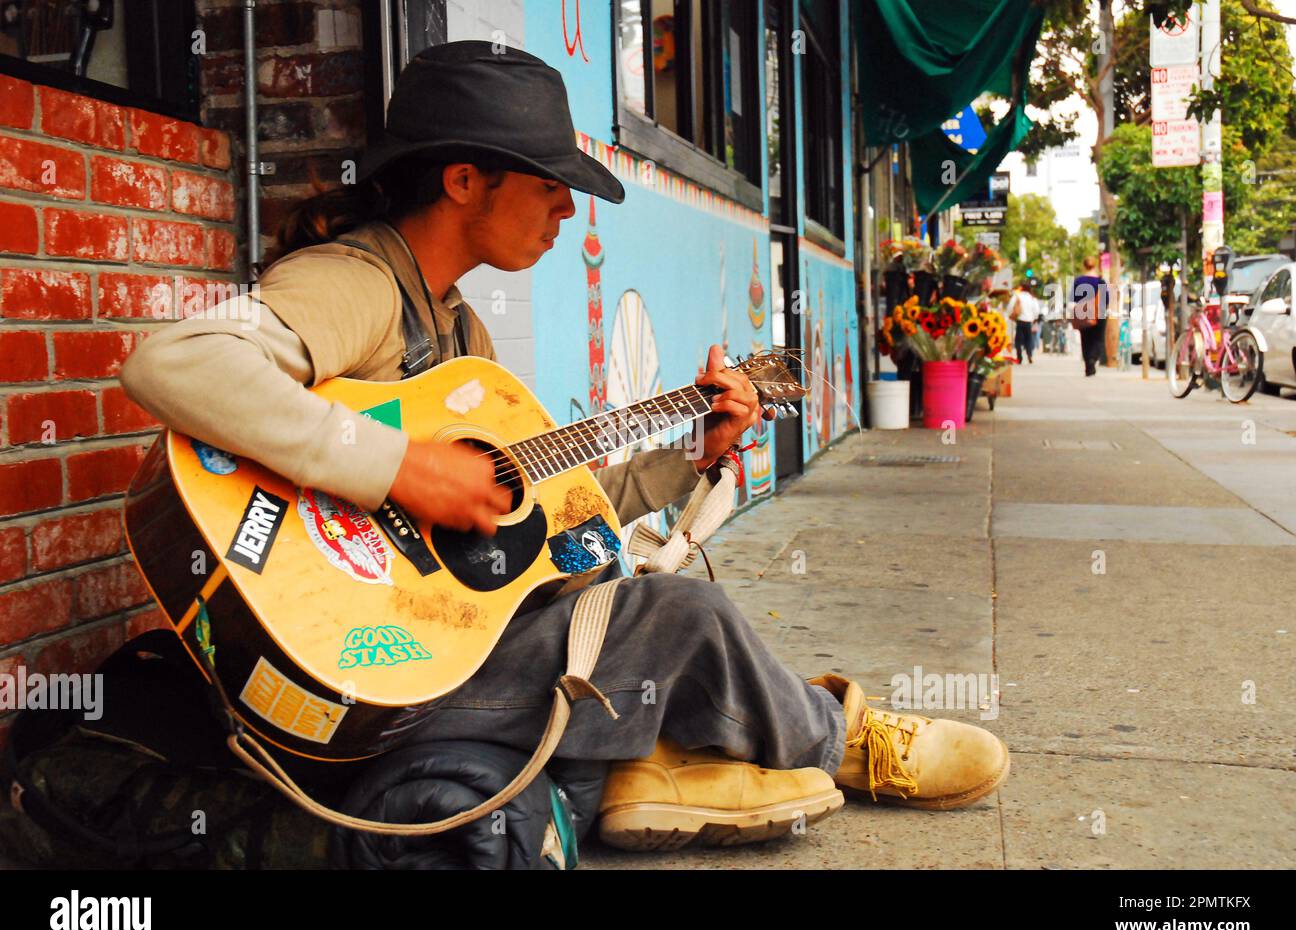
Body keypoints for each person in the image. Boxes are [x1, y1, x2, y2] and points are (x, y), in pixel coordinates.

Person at [120, 41, 1008, 853]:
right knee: (677, 619)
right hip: (351, 685)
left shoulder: (463, 337)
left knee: (603, 582)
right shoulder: (356, 282)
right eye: (547, 182)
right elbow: (177, 360)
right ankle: (840, 739)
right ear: (464, 181)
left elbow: (551, 506)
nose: (564, 208)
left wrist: (693, 455)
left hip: (432, 661)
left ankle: (647, 765)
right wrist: (398, 466)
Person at [1073, 256, 1108, 376]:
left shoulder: (1078, 281)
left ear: (1084, 266)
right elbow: (1105, 299)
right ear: (1095, 266)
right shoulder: (1100, 281)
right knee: (1098, 339)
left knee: (1085, 339)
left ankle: (1088, 362)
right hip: (1099, 313)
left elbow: (1074, 297)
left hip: (1083, 312)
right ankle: (1093, 358)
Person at [1009, 281, 1040, 364]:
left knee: (1018, 340)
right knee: (1028, 339)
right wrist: (1034, 318)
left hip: (1019, 320)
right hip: (1028, 322)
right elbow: (1036, 310)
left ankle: (1019, 357)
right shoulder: (1032, 298)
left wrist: (1011, 315)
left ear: (1021, 288)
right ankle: (1029, 355)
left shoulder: (1017, 296)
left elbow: (1011, 306)